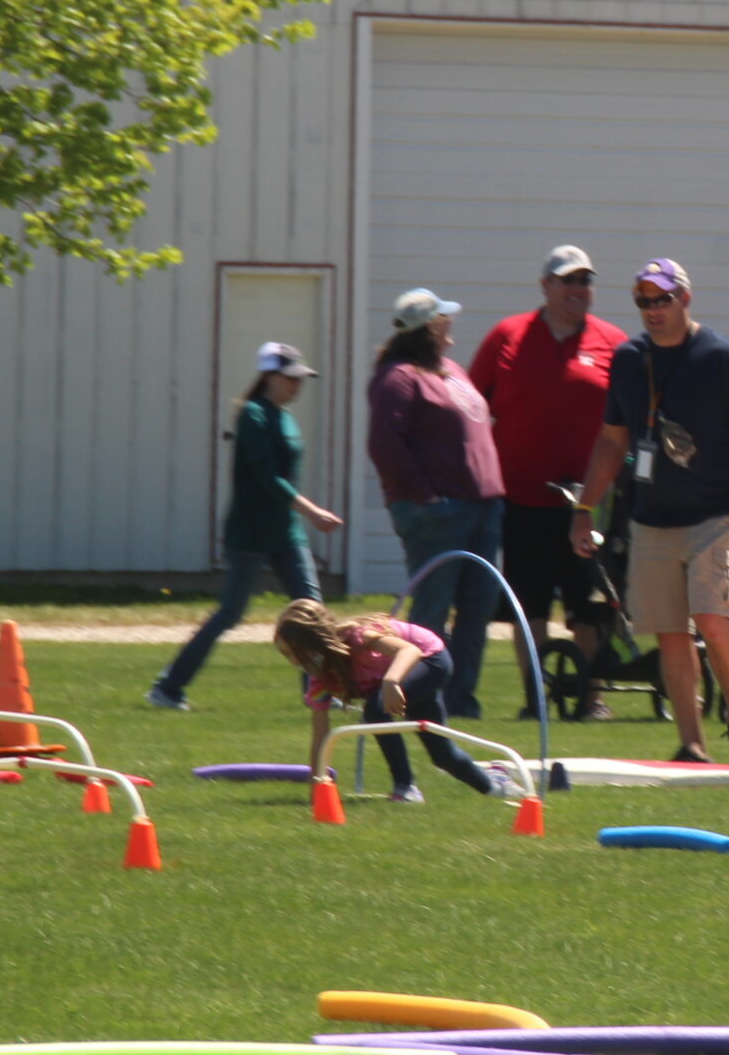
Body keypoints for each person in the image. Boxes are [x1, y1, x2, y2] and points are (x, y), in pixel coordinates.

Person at [568, 260, 729, 764]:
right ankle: (691, 744)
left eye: (662, 299)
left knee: (712, 619)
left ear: (685, 298)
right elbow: (611, 440)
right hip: (652, 519)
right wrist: (584, 507)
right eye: (643, 301)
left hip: (716, 515)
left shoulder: (722, 358)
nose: (653, 310)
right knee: (670, 634)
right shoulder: (629, 359)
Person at [469, 245, 629, 722]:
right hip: (521, 500)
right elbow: (471, 409)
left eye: (585, 280)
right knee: (529, 603)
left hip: (589, 501)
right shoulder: (508, 336)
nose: (578, 289)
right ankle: (536, 699)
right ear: (545, 286)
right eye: (567, 280)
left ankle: (590, 698)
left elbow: (633, 417)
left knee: (590, 602)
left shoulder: (613, 343)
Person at [146, 343, 343, 711]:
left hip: (286, 532)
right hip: (251, 533)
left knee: (311, 611)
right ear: (270, 376)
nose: (297, 384)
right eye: (291, 377)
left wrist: (301, 515)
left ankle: (319, 692)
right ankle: (168, 688)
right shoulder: (253, 415)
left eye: (300, 378)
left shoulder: (285, 416)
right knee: (230, 613)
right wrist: (312, 511)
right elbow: (268, 477)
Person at [366, 288, 505, 719]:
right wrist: (427, 497)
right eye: (443, 319)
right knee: (432, 613)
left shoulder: (449, 369)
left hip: (480, 507)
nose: (450, 325)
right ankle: (423, 701)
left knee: (477, 609)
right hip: (439, 512)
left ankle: (460, 703)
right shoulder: (397, 377)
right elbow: (385, 444)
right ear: (429, 328)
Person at [271, 599, 504, 802]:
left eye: (294, 652)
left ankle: (405, 788)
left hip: (430, 658)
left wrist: (391, 681)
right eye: (286, 654)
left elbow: (409, 651)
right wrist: (317, 786)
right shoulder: (320, 680)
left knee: (375, 709)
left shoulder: (358, 637)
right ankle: (495, 784)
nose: (293, 662)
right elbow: (320, 736)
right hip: (403, 677)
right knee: (443, 756)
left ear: (312, 641)